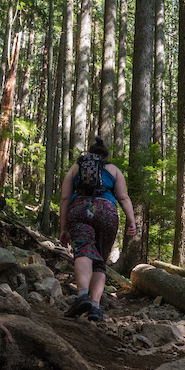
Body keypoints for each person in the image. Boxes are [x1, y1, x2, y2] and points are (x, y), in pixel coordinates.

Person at [59, 136, 136, 321]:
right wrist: (131, 221)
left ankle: (82, 295)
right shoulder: (114, 170)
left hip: (79, 210)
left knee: (83, 251)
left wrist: (63, 228)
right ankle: (94, 306)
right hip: (107, 212)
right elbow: (123, 198)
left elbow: (64, 198)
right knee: (100, 260)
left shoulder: (75, 168)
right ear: (105, 156)